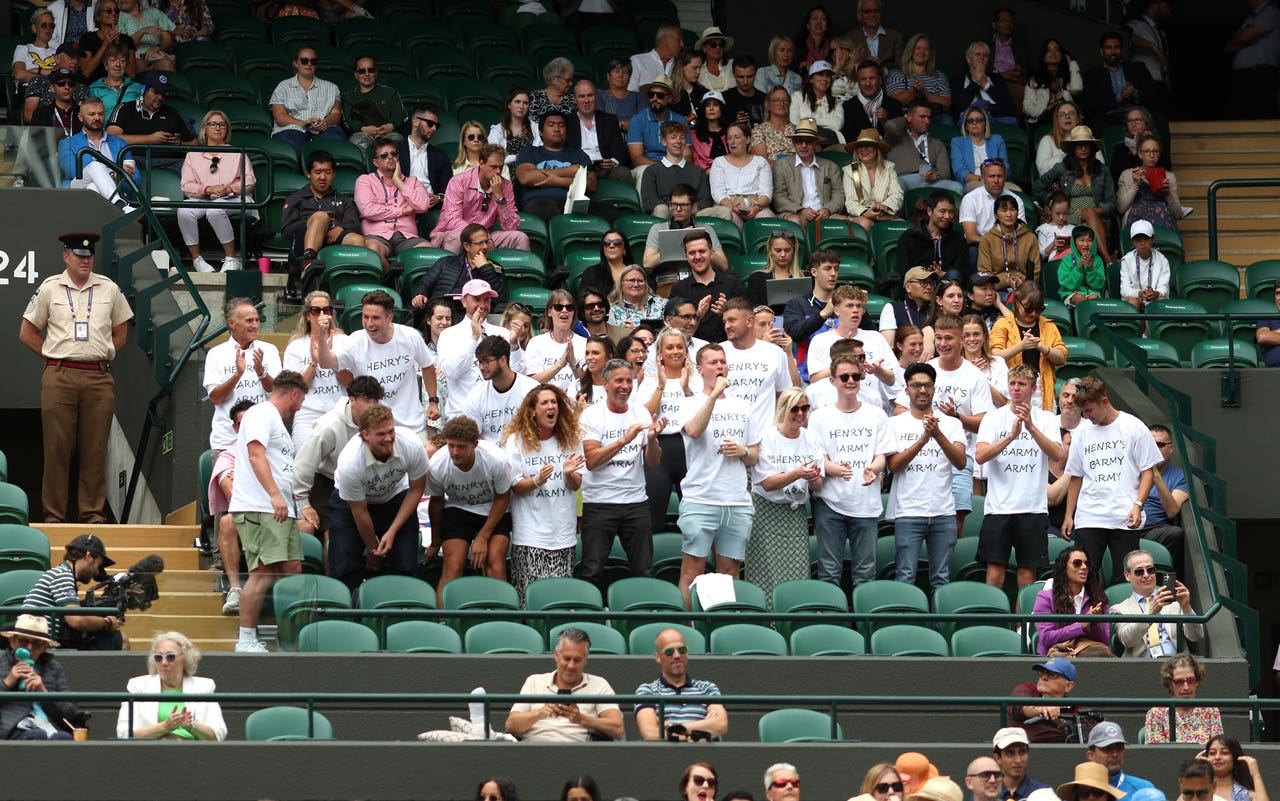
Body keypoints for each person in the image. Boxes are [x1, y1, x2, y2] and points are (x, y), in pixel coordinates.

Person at [18, 232, 131, 524]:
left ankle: (92, 514)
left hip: (98, 377)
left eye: (89, 256)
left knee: (95, 450)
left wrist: (102, 352)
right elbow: (26, 332)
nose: (85, 260)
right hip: (60, 375)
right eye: (79, 256)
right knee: (57, 450)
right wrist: (53, 354)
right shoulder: (50, 288)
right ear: (66, 257)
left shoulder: (109, 288)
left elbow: (121, 332)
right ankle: (54, 516)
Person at [229, 370, 309, 653]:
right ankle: (246, 639)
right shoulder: (260, 414)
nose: (298, 408)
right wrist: (275, 495)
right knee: (261, 573)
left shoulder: (275, 420)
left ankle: (287, 634)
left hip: (280, 510)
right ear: (293, 394)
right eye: (300, 401)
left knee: (291, 570)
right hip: (259, 506)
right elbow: (255, 454)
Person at [676, 342, 760, 606]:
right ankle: (688, 630)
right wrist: (713, 396)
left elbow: (755, 454)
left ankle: (725, 629)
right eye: (713, 363)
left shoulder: (743, 406)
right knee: (692, 570)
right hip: (701, 498)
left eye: (723, 362)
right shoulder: (689, 403)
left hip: (736, 500)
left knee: (730, 571)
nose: (720, 367)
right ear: (700, 369)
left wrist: (742, 450)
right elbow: (694, 431)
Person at [1064, 376, 1163, 583]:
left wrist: (1138, 505)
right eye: (1083, 412)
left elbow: (1148, 472)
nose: (1087, 416)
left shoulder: (1133, 426)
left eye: (1090, 410)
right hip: (1089, 515)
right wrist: (1068, 515)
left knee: (1125, 578)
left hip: (1124, 516)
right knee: (1085, 577)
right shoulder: (1082, 431)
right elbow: (1076, 476)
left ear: (1104, 401)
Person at [809, 354, 894, 590]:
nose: (850, 381)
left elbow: (882, 455)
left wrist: (873, 469)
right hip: (831, 503)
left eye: (855, 376)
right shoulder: (819, 417)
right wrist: (835, 470)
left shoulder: (876, 414)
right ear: (833, 381)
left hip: (866, 504)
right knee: (828, 572)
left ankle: (864, 625)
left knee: (866, 574)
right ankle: (829, 625)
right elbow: (819, 458)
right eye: (844, 377)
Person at [578, 358, 664, 587]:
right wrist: (625, 440)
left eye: (629, 381)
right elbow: (592, 461)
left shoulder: (642, 414)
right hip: (599, 503)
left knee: (644, 571)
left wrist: (653, 440)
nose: (625, 386)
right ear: (605, 384)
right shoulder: (591, 416)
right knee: (592, 570)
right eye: (619, 381)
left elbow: (654, 462)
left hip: (636, 502)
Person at [976, 364, 1062, 589]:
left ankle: (1022, 625)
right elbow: (981, 456)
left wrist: (1031, 427)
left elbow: (1057, 454)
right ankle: (994, 622)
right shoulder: (994, 418)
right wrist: (1011, 437)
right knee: (994, 572)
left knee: (1027, 573)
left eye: (1021, 384)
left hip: (1032, 508)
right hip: (999, 507)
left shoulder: (1046, 419)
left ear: (1033, 388)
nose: (1016, 389)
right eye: (1012, 383)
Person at [327, 403, 428, 592]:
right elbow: (360, 511)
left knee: (406, 563)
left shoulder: (411, 444)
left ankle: (401, 611)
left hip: (396, 499)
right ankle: (349, 614)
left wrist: (392, 531)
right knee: (344, 563)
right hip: (351, 505)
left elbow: (416, 490)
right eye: (381, 434)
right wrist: (374, 550)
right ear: (365, 435)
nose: (388, 438)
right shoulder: (350, 461)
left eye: (391, 431)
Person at [502, 383, 584, 605]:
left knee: (559, 600)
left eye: (554, 402)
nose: (551, 407)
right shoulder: (516, 441)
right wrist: (537, 481)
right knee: (529, 600)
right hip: (530, 535)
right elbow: (515, 485)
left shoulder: (571, 438)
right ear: (532, 410)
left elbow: (576, 484)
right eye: (545, 403)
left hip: (563, 536)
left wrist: (568, 474)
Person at [887, 362, 966, 588]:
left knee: (941, 578)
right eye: (916, 386)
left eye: (927, 386)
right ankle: (905, 624)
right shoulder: (894, 424)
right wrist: (922, 440)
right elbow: (894, 465)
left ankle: (940, 625)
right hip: (908, 510)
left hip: (943, 511)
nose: (922, 390)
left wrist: (937, 434)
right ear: (907, 390)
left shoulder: (951, 424)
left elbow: (960, 462)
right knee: (905, 576)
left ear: (934, 388)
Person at [747, 388, 824, 606]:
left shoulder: (811, 438)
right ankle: (766, 623)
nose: (800, 413)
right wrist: (797, 473)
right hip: (766, 512)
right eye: (795, 409)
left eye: (805, 408)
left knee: (797, 572)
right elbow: (767, 483)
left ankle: (792, 621)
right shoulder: (768, 438)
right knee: (764, 571)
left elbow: (819, 485)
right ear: (784, 409)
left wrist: (813, 477)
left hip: (796, 513)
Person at [424, 415, 513, 603]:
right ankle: (442, 625)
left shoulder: (496, 460)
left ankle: (501, 622)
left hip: (493, 508)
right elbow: (437, 502)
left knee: (495, 564)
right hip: (458, 508)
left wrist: (483, 536)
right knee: (453, 566)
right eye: (451, 446)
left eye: (461, 447)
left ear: (475, 444)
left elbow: (503, 497)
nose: (455, 452)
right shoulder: (437, 465)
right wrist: (435, 541)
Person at [329, 289, 439, 436]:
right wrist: (322, 348)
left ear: (389, 318)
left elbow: (427, 366)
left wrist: (433, 401)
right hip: (373, 428)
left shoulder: (410, 336)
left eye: (375, 318)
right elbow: (329, 364)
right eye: (365, 317)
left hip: (412, 426)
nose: (369, 323)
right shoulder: (355, 340)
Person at [292, 375, 385, 542]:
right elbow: (304, 463)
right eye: (366, 400)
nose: (372, 407)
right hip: (327, 482)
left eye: (375, 401)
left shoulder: (381, 421)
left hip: (365, 482)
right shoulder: (329, 425)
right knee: (334, 534)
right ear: (352, 400)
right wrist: (303, 502)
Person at [505, 627, 624, 742]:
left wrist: (582, 719)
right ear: (556, 656)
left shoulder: (599, 684)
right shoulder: (534, 681)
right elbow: (510, 725)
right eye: (567, 659)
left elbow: (618, 729)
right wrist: (539, 713)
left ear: (586, 660)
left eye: (577, 660)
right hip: (534, 751)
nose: (571, 666)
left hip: (578, 755)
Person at [177, 109, 253, 272]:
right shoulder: (193, 154)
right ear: (205, 128)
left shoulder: (238, 153)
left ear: (227, 129)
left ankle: (232, 259)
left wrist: (228, 189)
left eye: (222, 124)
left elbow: (250, 181)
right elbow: (186, 185)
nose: (217, 128)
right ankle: (197, 260)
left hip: (234, 198)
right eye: (213, 124)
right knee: (183, 210)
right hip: (203, 197)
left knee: (215, 209)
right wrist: (207, 189)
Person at [115, 631, 226, 740]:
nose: (164, 662)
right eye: (158, 657)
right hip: (150, 753)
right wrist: (164, 727)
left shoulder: (204, 686)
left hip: (195, 753)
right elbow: (124, 733)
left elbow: (218, 734)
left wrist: (192, 726)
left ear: (186, 658)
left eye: (170, 657)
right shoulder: (138, 686)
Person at [1033, 126, 1116, 264]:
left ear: (1092, 148)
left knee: (1087, 221)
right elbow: (1038, 187)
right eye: (1079, 145)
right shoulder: (1062, 168)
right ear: (1072, 148)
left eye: (1086, 145)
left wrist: (1093, 211)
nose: (1083, 148)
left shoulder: (1102, 170)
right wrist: (1055, 203)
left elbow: (1111, 202)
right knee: (1088, 217)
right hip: (1068, 214)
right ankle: (1108, 261)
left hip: (1096, 216)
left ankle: (1090, 265)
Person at [23, 533, 122, 649]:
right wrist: (107, 622)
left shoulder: (61, 573)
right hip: (37, 645)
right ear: (88, 555)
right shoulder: (63, 575)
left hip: (41, 642)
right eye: (98, 565)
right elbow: (76, 620)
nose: (97, 573)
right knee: (117, 638)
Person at [515, 111, 611, 224]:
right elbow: (526, 178)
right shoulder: (530, 151)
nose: (557, 129)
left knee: (609, 211)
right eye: (551, 125)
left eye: (561, 125)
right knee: (545, 208)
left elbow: (591, 184)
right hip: (539, 202)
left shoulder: (578, 154)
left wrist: (558, 181)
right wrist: (570, 171)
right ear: (541, 132)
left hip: (573, 203)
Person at [353, 136, 433, 270]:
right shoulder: (365, 180)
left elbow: (423, 205)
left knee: (430, 251)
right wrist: (401, 211)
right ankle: (392, 281)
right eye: (384, 155)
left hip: (407, 237)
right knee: (372, 250)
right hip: (377, 236)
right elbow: (368, 210)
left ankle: (403, 283)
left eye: (394, 154)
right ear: (376, 162)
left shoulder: (412, 182)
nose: (390, 157)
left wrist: (398, 182)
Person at [282, 290, 347, 452]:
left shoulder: (344, 341)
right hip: (307, 415)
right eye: (316, 311)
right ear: (307, 315)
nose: (322, 314)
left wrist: (329, 359)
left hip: (339, 413)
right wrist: (314, 361)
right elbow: (295, 388)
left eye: (327, 310)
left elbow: (350, 382)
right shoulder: (296, 346)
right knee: (305, 470)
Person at [635, 628, 728, 740]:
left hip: (702, 755)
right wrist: (699, 732)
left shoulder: (707, 688)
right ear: (658, 657)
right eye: (669, 652)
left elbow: (721, 724)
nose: (677, 655)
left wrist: (671, 727)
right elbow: (650, 734)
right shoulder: (646, 690)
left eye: (682, 650)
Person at [279, 150, 366, 267]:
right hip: (302, 244)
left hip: (333, 241)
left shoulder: (344, 199)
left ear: (334, 174)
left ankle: (349, 276)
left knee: (357, 240)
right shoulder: (296, 197)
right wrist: (312, 223)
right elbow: (286, 232)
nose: (323, 177)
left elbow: (355, 225)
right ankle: (308, 264)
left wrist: (341, 228)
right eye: (318, 172)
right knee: (320, 217)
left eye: (327, 172)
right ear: (309, 174)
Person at [0, 614, 80, 740]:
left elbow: (71, 712)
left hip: (49, 726)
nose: (29, 648)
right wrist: (7, 682)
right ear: (12, 641)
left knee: (64, 738)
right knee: (37, 735)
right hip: (12, 727)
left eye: (36, 643)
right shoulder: (1, 662)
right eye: (23, 641)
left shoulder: (53, 667)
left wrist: (44, 692)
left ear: (44, 647)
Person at [990, 283, 1066, 412]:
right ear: (1017, 302)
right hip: (1011, 386)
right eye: (1028, 309)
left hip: (1040, 387)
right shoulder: (1003, 324)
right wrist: (1021, 346)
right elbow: (995, 356)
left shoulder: (1048, 326)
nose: (1033, 314)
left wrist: (1041, 347)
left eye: (1039, 310)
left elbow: (1062, 358)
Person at [1113, 548, 1203, 657]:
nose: (1146, 575)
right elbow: (1127, 640)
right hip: (1140, 668)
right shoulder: (1119, 609)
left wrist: (1186, 607)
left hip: (1176, 665)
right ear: (1127, 576)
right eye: (1139, 571)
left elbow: (1196, 636)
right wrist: (1150, 613)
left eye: (1150, 570)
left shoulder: (1174, 602)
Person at [104, 70, 194, 169]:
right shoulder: (125, 108)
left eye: (163, 94)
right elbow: (111, 138)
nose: (160, 97)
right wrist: (150, 139)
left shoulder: (171, 113)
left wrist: (180, 144)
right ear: (144, 90)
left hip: (169, 161)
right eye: (155, 92)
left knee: (190, 166)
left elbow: (195, 144)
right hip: (132, 159)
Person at [457, 334, 537, 443]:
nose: (481, 367)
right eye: (479, 362)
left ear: (503, 360)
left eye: (486, 361)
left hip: (524, 452)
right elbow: (470, 437)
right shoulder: (476, 395)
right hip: (491, 456)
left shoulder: (531, 389)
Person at [1033, 546, 1111, 655]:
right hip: (1055, 659)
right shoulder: (1045, 598)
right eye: (1077, 563)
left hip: (1090, 658)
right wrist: (1082, 624)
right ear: (1064, 567)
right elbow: (1046, 638)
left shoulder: (1098, 598)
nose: (1084, 567)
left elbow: (1105, 640)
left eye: (1087, 564)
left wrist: (1095, 622)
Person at [643, 184, 730, 281]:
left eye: (683, 205)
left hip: (700, 281)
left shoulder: (706, 229)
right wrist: (672, 247)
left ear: (694, 207)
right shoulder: (657, 229)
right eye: (674, 204)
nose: (678, 209)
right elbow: (647, 263)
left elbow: (724, 265)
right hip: (668, 281)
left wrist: (705, 249)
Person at [641, 119, 726, 220]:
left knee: (725, 211)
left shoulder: (698, 171)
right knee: (660, 209)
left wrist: (688, 210)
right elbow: (649, 202)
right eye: (673, 137)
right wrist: (676, 209)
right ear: (664, 142)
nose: (678, 141)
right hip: (667, 214)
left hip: (694, 215)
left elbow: (706, 200)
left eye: (682, 137)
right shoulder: (651, 171)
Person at [670, 230, 745, 343]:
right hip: (691, 349)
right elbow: (674, 329)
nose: (697, 256)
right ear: (686, 256)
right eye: (692, 253)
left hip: (729, 349)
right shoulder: (678, 289)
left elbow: (745, 324)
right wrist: (698, 315)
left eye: (702, 251)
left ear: (711, 252)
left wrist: (726, 313)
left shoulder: (732, 284)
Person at [411, 224, 510, 308]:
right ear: (467, 246)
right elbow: (424, 283)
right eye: (480, 243)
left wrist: (485, 268)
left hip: (479, 313)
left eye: (487, 242)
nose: (485, 247)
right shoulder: (446, 263)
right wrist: (420, 294)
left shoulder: (495, 268)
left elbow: (502, 299)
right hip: (447, 310)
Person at [268, 45, 343, 154]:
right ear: (296, 63)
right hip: (292, 129)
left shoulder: (332, 87)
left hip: (323, 130)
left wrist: (325, 123)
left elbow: (336, 114)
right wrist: (302, 122)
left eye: (313, 61)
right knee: (293, 145)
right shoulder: (283, 86)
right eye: (304, 60)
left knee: (336, 140)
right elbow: (279, 116)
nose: (309, 64)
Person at [772, 118, 847, 224]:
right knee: (796, 221)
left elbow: (839, 193)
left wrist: (827, 209)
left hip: (825, 213)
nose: (803, 145)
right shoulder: (782, 165)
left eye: (808, 141)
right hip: (795, 213)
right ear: (793, 142)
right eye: (799, 141)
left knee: (844, 222)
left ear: (816, 143)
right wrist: (800, 210)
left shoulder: (830, 166)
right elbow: (778, 196)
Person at [1082, 32, 1160, 131]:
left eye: (1116, 47)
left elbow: (1152, 92)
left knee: (1159, 117)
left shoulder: (1138, 67)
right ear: (1101, 51)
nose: (1113, 51)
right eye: (1108, 48)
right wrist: (1120, 97)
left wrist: (1134, 93)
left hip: (1137, 113)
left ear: (1122, 50)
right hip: (1109, 116)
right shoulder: (1092, 74)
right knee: (1096, 121)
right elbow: (1092, 102)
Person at [891, 101, 965, 195]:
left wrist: (936, 175)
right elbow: (891, 126)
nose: (927, 121)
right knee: (897, 185)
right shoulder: (895, 138)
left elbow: (945, 172)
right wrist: (904, 119)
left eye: (929, 117)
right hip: (904, 180)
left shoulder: (937, 143)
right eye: (922, 117)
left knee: (957, 187)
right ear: (909, 117)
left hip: (930, 181)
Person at [1145, 655, 1223, 744]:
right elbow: (1156, 753)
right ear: (1170, 684)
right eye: (1179, 682)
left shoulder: (1211, 711)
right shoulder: (1156, 714)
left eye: (1190, 680)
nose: (1186, 687)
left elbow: (1218, 751)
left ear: (1197, 681)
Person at [567, 79, 631, 184]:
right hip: (579, 169)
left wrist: (613, 162)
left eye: (590, 95)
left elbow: (619, 148)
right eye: (582, 96)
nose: (586, 100)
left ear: (596, 97)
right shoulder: (567, 122)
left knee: (624, 173)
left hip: (606, 168)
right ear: (575, 99)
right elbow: (564, 150)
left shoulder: (609, 119)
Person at [1225, 0, 1280, 118]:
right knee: (1241, 118)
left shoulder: (1270, 11)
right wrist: (1241, 37)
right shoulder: (1252, 18)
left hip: (1259, 76)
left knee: (1257, 117)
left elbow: (1244, 36)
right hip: (1247, 77)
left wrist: (1241, 37)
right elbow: (1229, 47)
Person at [843, 127, 903, 232]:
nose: (863, 150)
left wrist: (884, 206)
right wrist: (865, 213)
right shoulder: (850, 170)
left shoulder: (889, 168)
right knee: (865, 224)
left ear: (877, 149)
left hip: (884, 215)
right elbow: (850, 201)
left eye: (868, 146)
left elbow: (897, 194)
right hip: (860, 216)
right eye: (860, 147)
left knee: (902, 225)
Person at [1010, 657, 1081, 743]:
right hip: (1022, 750)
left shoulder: (1076, 708)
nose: (1044, 677)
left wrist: (1058, 720)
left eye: (1053, 675)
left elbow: (1083, 735)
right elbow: (1018, 707)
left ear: (1068, 686)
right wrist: (1042, 709)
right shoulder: (1028, 689)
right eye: (1042, 673)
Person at [341, 56, 405, 152]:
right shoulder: (349, 96)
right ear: (356, 74)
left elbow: (400, 114)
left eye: (370, 70)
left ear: (376, 73)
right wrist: (363, 128)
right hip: (362, 134)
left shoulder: (390, 92)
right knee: (357, 141)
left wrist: (390, 126)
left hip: (388, 133)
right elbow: (348, 120)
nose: (367, 74)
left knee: (397, 140)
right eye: (362, 71)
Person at [960, 160, 1024, 255]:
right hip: (980, 245)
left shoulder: (1016, 199)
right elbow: (971, 236)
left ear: (1005, 178)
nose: (996, 181)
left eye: (1000, 176)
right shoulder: (970, 199)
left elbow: (1021, 232)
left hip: (1009, 244)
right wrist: (995, 244)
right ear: (982, 179)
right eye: (991, 176)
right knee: (972, 252)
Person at [1117, 135, 1182, 229]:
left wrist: (1167, 193)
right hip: (1137, 218)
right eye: (1147, 151)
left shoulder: (1168, 176)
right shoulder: (1127, 175)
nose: (1151, 155)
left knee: (1161, 209)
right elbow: (1121, 208)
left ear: (1159, 154)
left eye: (1155, 151)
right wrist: (1135, 184)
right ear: (1140, 154)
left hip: (1162, 218)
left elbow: (1177, 214)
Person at [397, 102, 452, 210]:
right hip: (402, 204)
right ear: (415, 122)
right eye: (430, 124)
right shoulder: (395, 151)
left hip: (431, 207)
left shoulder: (441, 156)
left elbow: (449, 190)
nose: (434, 129)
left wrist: (439, 198)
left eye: (437, 125)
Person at [977, 195, 1039, 290]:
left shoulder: (1030, 238)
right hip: (997, 289)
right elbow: (985, 274)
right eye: (1004, 210)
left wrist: (1023, 284)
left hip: (1025, 288)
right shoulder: (987, 239)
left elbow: (1035, 272)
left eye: (1012, 209)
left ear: (1017, 213)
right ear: (996, 214)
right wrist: (1006, 282)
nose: (1009, 214)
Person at [887, 35, 952, 123]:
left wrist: (925, 92)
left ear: (930, 53)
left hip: (933, 117)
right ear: (910, 51)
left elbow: (946, 104)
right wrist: (913, 90)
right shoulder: (898, 73)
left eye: (926, 49)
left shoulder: (939, 76)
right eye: (918, 48)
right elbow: (894, 103)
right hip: (906, 116)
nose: (922, 52)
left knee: (946, 120)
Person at [951, 43, 1017, 126]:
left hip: (994, 118)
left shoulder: (997, 78)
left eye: (985, 55)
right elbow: (959, 106)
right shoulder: (957, 81)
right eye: (977, 54)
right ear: (968, 59)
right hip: (969, 119)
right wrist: (975, 82)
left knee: (1012, 120)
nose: (982, 58)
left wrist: (985, 84)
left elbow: (1009, 107)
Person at [953, 106, 1013, 194]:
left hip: (997, 180)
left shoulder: (997, 140)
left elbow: (1005, 167)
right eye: (970, 121)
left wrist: (993, 179)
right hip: (973, 181)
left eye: (978, 120)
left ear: (985, 124)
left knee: (1017, 191)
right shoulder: (957, 142)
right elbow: (960, 171)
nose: (974, 123)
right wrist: (983, 179)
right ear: (966, 126)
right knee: (983, 191)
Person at [1085, 721, 1156, 794]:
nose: (1115, 754)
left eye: (1119, 748)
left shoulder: (1143, 789)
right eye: (1107, 749)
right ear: (1091, 756)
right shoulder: (1080, 791)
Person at [841, 60, 904, 141]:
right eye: (863, 79)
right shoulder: (848, 107)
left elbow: (899, 138)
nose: (868, 84)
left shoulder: (895, 105)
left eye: (872, 78)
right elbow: (848, 139)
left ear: (880, 80)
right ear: (858, 82)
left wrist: (887, 123)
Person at [1024, 40, 1083, 126]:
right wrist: (1044, 110)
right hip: (1044, 120)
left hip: (1068, 117)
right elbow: (1027, 108)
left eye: (1056, 50)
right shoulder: (1035, 80)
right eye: (1049, 50)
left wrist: (1072, 63)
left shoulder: (1068, 76)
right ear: (1043, 55)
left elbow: (1077, 89)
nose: (1053, 53)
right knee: (1057, 109)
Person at [1034, 102, 1098, 178]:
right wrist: (1067, 156)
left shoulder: (1090, 139)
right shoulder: (1047, 140)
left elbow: (1101, 166)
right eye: (1062, 114)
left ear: (1078, 118)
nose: (1067, 117)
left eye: (1071, 113)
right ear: (1057, 120)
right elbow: (1042, 169)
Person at [1118, 220, 1171, 311]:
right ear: (1133, 242)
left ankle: (1156, 326)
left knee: (1162, 300)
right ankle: (1139, 326)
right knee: (1132, 302)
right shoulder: (1127, 260)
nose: (1142, 243)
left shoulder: (1162, 260)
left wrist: (1156, 294)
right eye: (1138, 240)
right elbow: (1124, 289)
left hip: (1154, 298)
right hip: (1135, 298)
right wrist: (1139, 293)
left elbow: (1164, 287)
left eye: (1146, 239)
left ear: (1153, 239)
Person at [78, 3, 135, 83]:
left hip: (122, 86)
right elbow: (85, 73)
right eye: (108, 11)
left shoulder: (127, 40)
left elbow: (132, 75)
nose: (114, 13)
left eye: (116, 10)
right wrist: (105, 45)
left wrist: (118, 46)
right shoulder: (88, 39)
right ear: (98, 15)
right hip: (94, 87)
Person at [1203, 735, 1271, 801]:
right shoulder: (1197, 791)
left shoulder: (1246, 795)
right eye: (1212, 753)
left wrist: (1256, 774)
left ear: (1235, 757)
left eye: (1224, 752)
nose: (1217, 757)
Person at [791, 61, 844, 145]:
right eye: (820, 74)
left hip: (830, 143)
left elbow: (837, 124)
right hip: (805, 143)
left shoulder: (836, 102)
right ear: (811, 79)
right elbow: (793, 123)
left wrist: (810, 120)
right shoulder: (798, 97)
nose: (824, 78)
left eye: (828, 75)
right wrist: (827, 123)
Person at [748, 232, 804, 309]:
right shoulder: (757, 278)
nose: (783, 255)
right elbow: (753, 308)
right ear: (770, 250)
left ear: (794, 251)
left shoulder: (805, 277)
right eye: (778, 250)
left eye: (787, 250)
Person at [991, 726, 1050, 800]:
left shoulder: (1044, 794)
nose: (1018, 760)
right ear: (998, 758)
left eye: (1022, 752)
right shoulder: (985, 796)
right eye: (1010, 753)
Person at [87, 41, 138, 121]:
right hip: (106, 132)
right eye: (113, 60)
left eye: (122, 61)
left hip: (132, 132)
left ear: (126, 65)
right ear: (106, 65)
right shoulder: (94, 89)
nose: (118, 64)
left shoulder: (137, 87)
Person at [27, 65, 83, 137]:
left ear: (74, 88)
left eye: (70, 84)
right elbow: (35, 143)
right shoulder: (41, 114)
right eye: (61, 83)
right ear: (52, 88)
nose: (67, 87)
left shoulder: (82, 112)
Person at [1056, 226, 1106, 307]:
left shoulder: (1097, 260)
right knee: (1080, 298)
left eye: (1089, 241)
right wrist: (1079, 268)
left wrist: (1091, 269)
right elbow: (1067, 284)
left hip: (1092, 292)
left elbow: (1098, 286)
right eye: (1081, 240)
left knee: (1093, 298)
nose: (1086, 244)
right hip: (1071, 293)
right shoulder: (1067, 259)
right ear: (1074, 242)